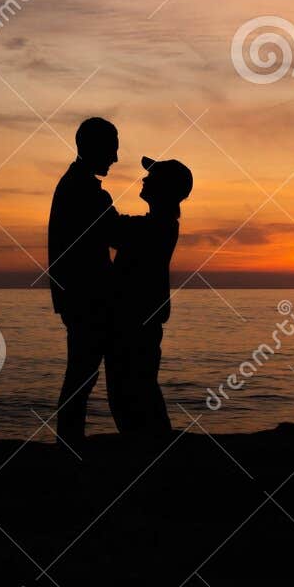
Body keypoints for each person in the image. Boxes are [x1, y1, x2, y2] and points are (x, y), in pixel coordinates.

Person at [108, 156, 193, 440]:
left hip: (136, 322)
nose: (143, 179)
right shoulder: (158, 224)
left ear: (164, 189)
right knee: (138, 389)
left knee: (132, 390)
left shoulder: (157, 227)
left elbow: (113, 229)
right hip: (140, 320)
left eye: (151, 176)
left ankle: (150, 451)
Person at [47, 117, 119, 450]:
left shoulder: (73, 185)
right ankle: (69, 445)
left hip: (76, 298)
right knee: (81, 377)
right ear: (96, 148)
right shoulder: (85, 191)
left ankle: (70, 443)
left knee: (81, 375)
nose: (116, 159)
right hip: (85, 300)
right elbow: (116, 233)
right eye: (112, 150)